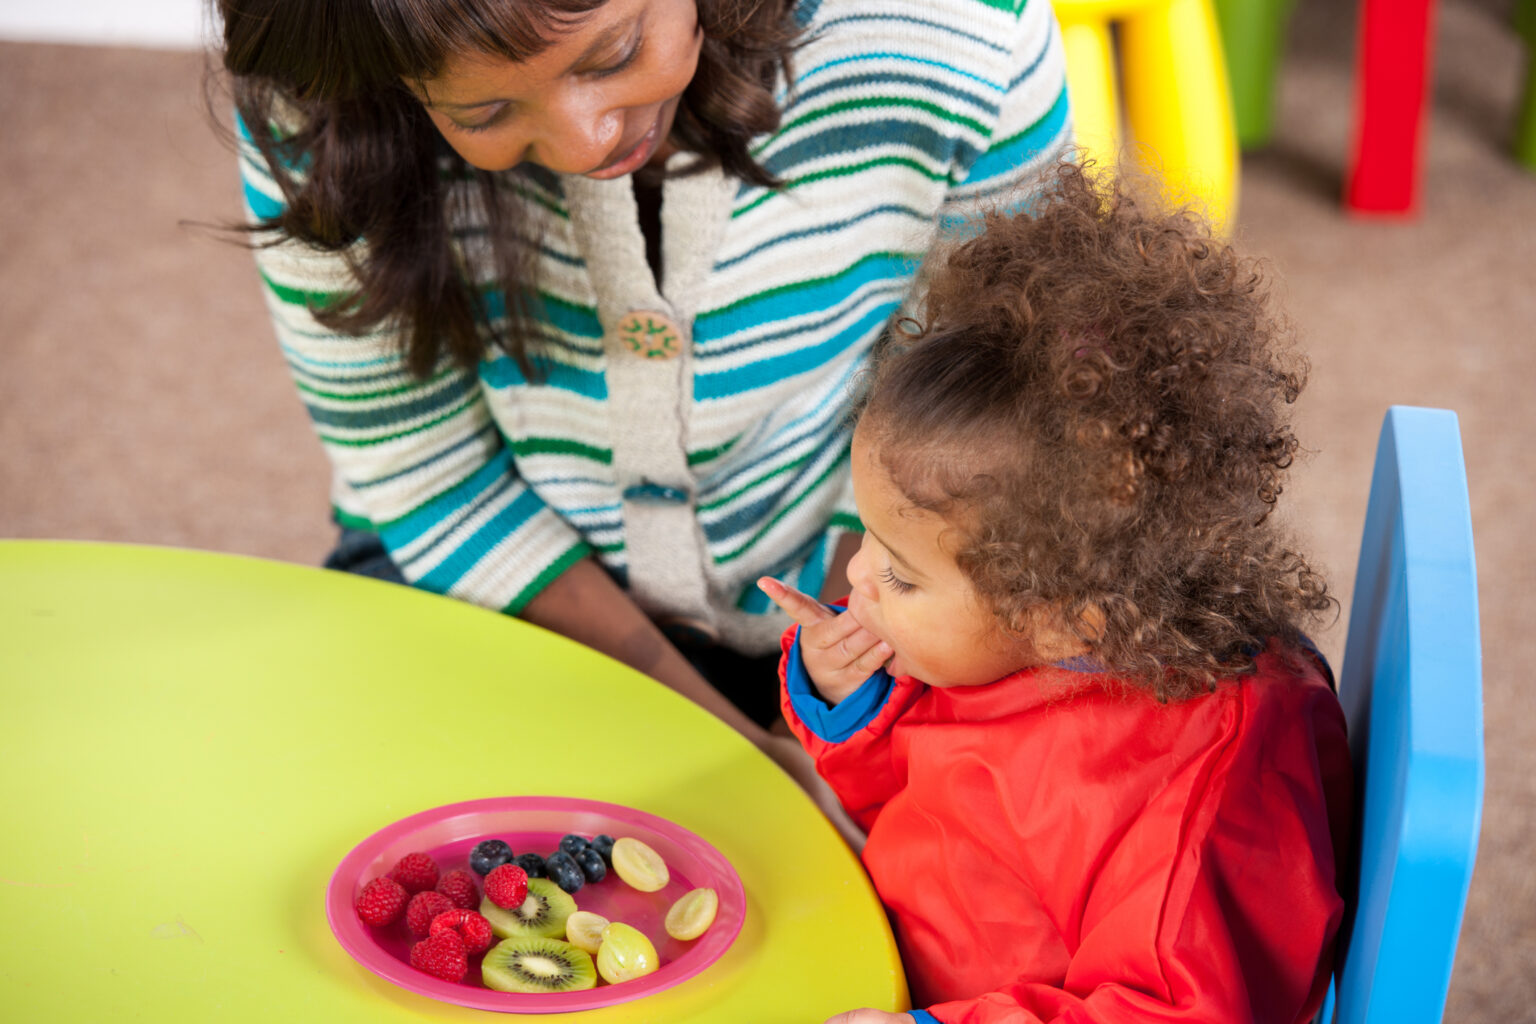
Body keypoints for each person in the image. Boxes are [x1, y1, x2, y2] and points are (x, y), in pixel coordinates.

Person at [215, 0, 1072, 749]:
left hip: (858, 587)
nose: (585, 140)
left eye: (615, 53)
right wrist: (734, 751)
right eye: (484, 110)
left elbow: (988, 417)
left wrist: (833, 680)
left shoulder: (968, 33)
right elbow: (424, 472)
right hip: (479, 580)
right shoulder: (326, 88)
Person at [759, 162, 1353, 1024]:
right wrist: (853, 695)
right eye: (869, 540)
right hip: (889, 944)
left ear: (1067, 615)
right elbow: (918, 797)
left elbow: (1170, 1012)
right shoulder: (1013, 625)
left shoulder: (1204, 786)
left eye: (901, 572)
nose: (856, 576)